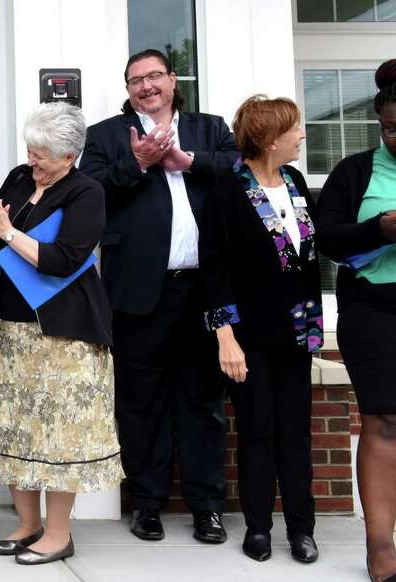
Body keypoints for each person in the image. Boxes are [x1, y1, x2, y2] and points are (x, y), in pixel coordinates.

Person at [80, 49, 237, 543]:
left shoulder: (210, 128)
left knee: (203, 404)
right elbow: (89, 192)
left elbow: (241, 172)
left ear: (173, 79)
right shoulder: (107, 135)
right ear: (127, 89)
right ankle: (147, 504)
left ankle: (206, 507)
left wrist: (189, 162)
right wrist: (139, 162)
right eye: (135, 80)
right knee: (140, 403)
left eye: (154, 76)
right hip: (138, 291)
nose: (146, 86)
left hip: (204, 290)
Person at [0, 102, 122, 566]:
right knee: (14, 427)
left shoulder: (86, 192)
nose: (32, 161)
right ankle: (27, 524)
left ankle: (58, 533)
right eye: (30, 150)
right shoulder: (19, 178)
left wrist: (6, 231)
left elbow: (63, 260)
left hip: (64, 335)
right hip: (9, 330)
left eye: (41, 154)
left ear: (69, 156)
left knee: (59, 434)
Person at [200, 95, 320, 564]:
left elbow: (308, 261)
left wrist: (313, 330)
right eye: (294, 129)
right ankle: (258, 528)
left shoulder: (295, 181)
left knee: (296, 434)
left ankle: (302, 530)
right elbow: (214, 271)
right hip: (248, 338)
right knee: (256, 432)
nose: (302, 135)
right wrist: (225, 337)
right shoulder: (227, 191)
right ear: (270, 140)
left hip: (297, 331)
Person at [316, 60, 396, 582]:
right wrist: (381, 228)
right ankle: (381, 547)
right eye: (390, 129)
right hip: (374, 311)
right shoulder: (355, 171)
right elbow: (328, 239)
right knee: (384, 420)